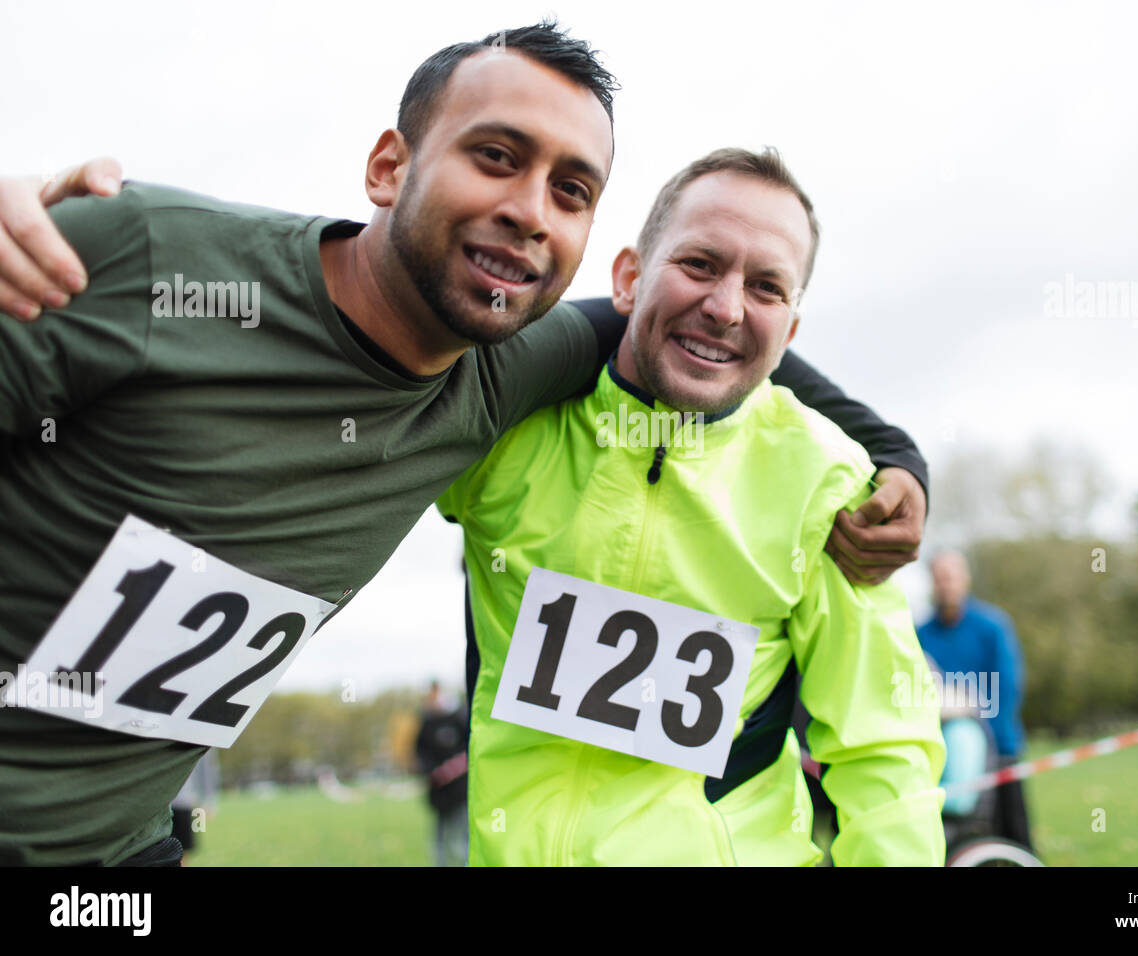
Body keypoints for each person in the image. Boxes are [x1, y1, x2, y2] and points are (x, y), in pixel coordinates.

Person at [0, 23, 927, 866]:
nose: (529, 211)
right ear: (389, 167)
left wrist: (897, 459)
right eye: (495, 156)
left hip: (125, 857)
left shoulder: (501, 377)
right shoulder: (138, 262)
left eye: (571, 191)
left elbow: (703, 338)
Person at [439, 147, 946, 866]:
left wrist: (901, 457)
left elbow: (884, 747)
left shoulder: (827, 481)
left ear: (791, 332)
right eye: (700, 264)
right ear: (629, 278)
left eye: (767, 287)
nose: (726, 306)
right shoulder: (501, 429)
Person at [917, 550, 1033, 849]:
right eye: (939, 577)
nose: (946, 584)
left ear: (965, 579)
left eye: (951, 576)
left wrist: (978, 726)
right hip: (945, 755)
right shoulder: (920, 634)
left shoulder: (992, 626)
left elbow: (1007, 688)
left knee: (1015, 838)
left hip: (999, 748)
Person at [413, 681, 469, 867]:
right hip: (438, 792)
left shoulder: (459, 718)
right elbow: (420, 753)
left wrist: (453, 769)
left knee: (462, 833)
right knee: (439, 835)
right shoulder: (427, 722)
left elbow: (469, 749)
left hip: (460, 790)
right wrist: (432, 772)